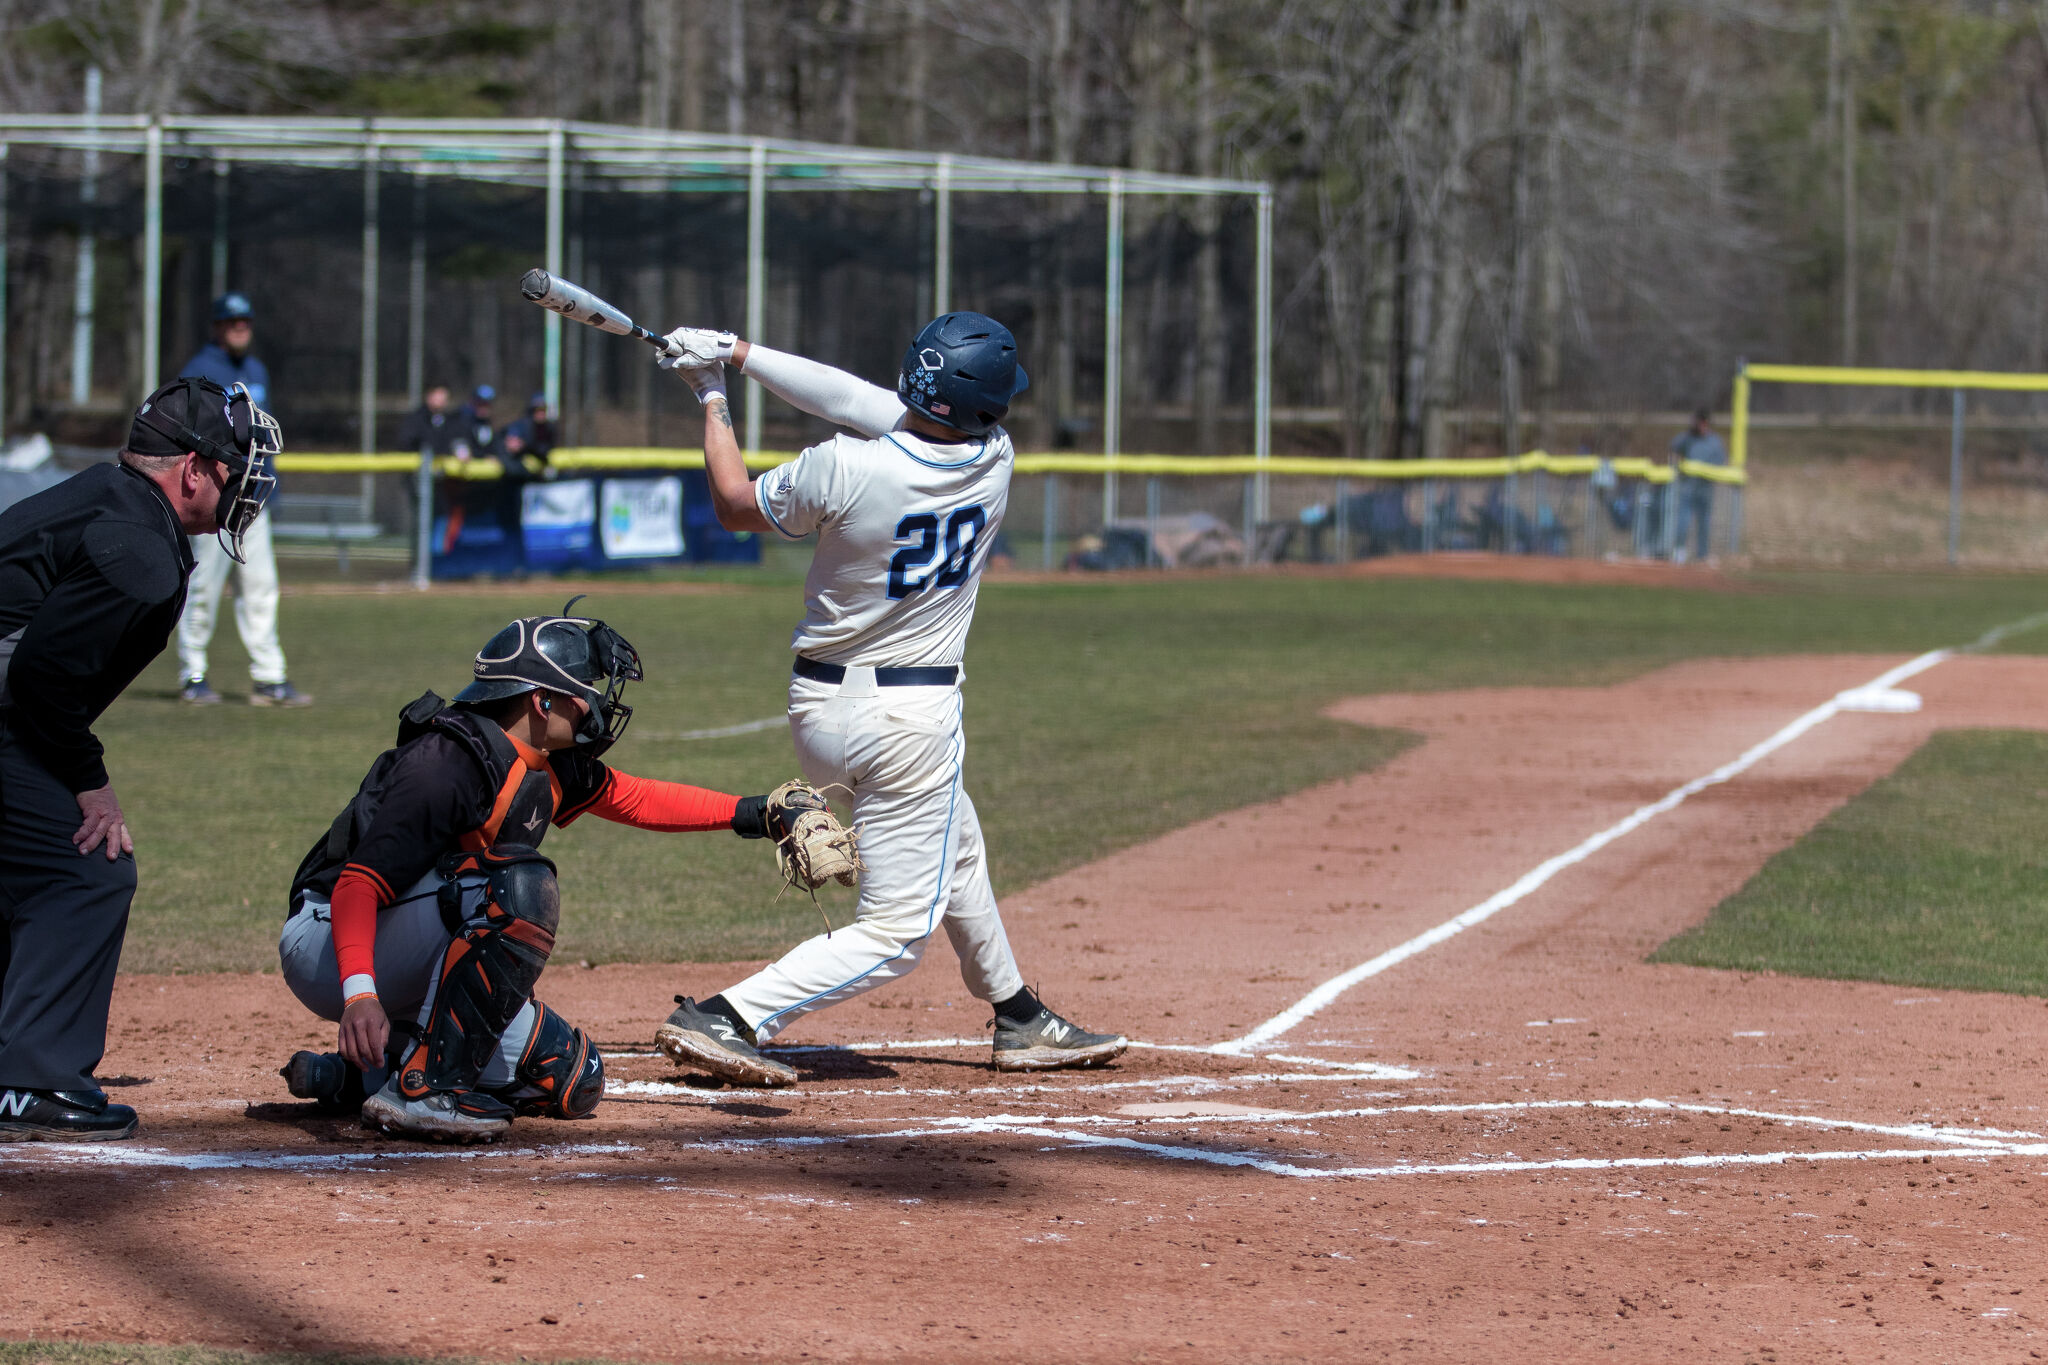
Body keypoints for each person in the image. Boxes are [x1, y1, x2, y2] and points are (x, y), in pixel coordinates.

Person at [644, 314, 1127, 1088]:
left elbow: (736, 502)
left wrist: (714, 392)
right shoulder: (995, 459)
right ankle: (730, 1014)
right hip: (910, 720)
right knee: (899, 933)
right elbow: (857, 400)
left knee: (956, 841)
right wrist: (732, 356)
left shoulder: (842, 466)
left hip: (818, 712)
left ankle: (1019, 1014)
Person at [277, 603, 806, 1143]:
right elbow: (357, 885)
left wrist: (757, 812)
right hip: (330, 943)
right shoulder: (447, 764)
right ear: (541, 699)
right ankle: (423, 1091)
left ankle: (354, 1078)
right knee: (518, 884)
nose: (594, 706)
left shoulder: (547, 762)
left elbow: (639, 799)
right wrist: (360, 995)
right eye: (584, 692)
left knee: (572, 1076)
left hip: (413, 939)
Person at [0, 377, 278, 1140]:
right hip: (13, 711)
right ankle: (29, 1080)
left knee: (24, 868)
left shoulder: (110, 499)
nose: (246, 485)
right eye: (233, 470)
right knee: (86, 870)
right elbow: (40, 681)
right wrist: (91, 783)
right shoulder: (138, 549)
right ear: (192, 470)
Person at [175, 293, 310, 708]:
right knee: (203, 589)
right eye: (232, 322)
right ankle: (193, 674)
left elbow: (265, 440)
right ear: (217, 326)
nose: (240, 328)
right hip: (217, 499)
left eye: (245, 322)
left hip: (255, 496)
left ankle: (269, 678)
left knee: (262, 588)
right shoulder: (200, 371)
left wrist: (275, 489)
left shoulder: (255, 369)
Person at [1669, 408, 1728, 564]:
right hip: (1688, 485)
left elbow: (1721, 461)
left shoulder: (1714, 441)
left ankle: (1702, 554)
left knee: (1705, 522)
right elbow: (1674, 447)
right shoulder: (1687, 438)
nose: (1700, 425)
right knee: (1683, 520)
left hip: (1706, 487)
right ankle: (1679, 550)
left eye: (1702, 422)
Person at [398, 383, 461, 457]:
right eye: (437, 395)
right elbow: (406, 443)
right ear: (429, 396)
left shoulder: (452, 421)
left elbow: (457, 439)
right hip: (420, 465)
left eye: (444, 396)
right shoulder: (415, 419)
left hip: (444, 465)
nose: (441, 399)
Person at [501, 392, 557, 467]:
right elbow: (510, 442)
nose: (541, 413)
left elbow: (546, 449)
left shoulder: (549, 428)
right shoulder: (521, 426)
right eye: (538, 410)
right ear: (532, 411)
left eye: (543, 410)